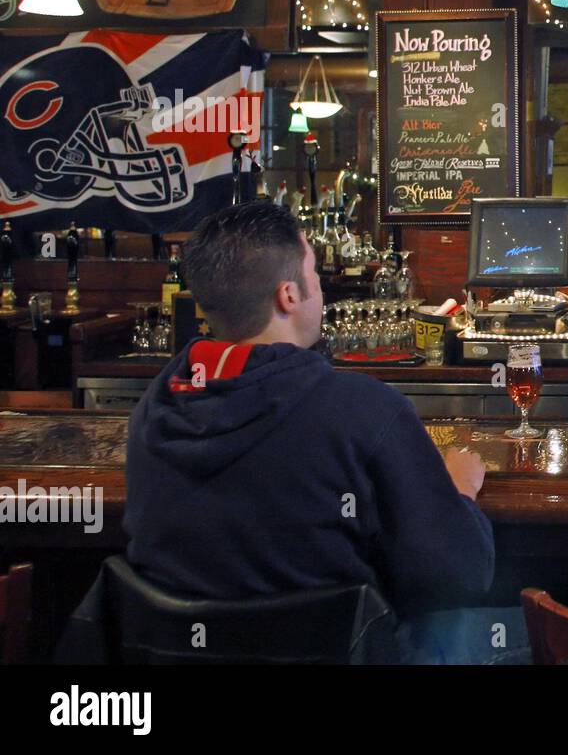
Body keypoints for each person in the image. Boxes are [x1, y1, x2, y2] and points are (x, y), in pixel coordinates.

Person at [123, 202, 525, 664]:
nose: (322, 291)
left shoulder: (155, 405)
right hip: (355, 653)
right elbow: (457, 575)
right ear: (289, 294)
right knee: (533, 628)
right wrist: (459, 492)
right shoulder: (366, 410)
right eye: (315, 275)